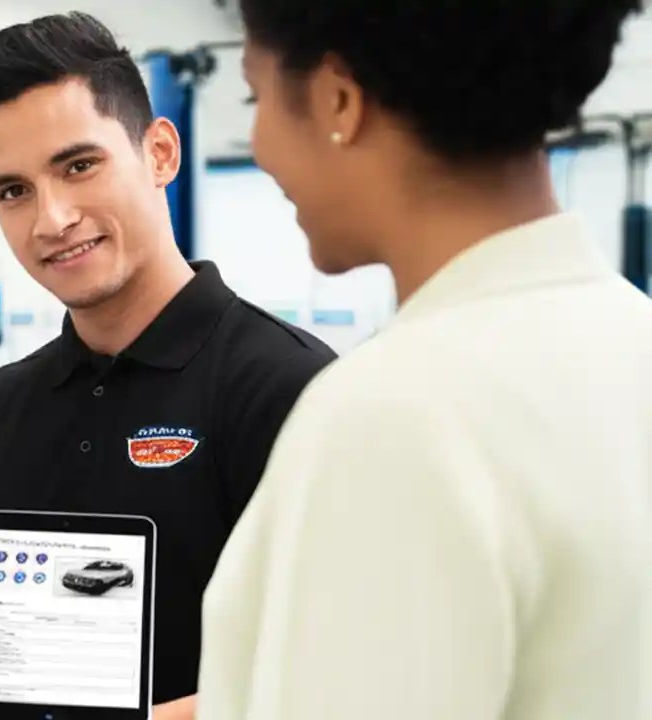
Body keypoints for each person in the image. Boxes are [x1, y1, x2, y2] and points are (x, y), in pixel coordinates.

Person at [0, 12, 336, 720]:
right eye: (13, 191)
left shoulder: (290, 390)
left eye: (79, 166)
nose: (51, 219)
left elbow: (334, 680)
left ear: (160, 154)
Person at [198, 2, 652, 719]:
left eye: (256, 96)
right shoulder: (633, 342)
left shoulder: (391, 415)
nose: (256, 143)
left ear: (337, 99)